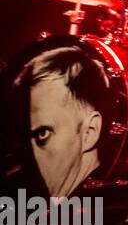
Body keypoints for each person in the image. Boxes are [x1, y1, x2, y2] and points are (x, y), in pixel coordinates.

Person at [13, 45, 108, 197]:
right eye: (22, 136)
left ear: (89, 132)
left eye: (42, 134)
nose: (28, 155)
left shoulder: (112, 212)